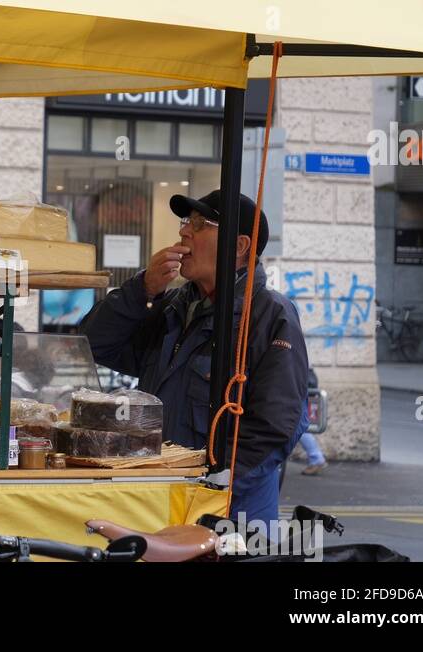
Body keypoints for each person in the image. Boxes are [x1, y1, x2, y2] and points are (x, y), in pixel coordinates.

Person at [81, 190, 309, 523]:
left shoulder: (270, 316)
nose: (184, 232)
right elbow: (94, 344)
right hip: (160, 496)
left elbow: (276, 426)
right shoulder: (174, 306)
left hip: (229, 509)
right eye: (187, 222)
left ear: (240, 246)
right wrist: (141, 289)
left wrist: (212, 486)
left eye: (201, 224)